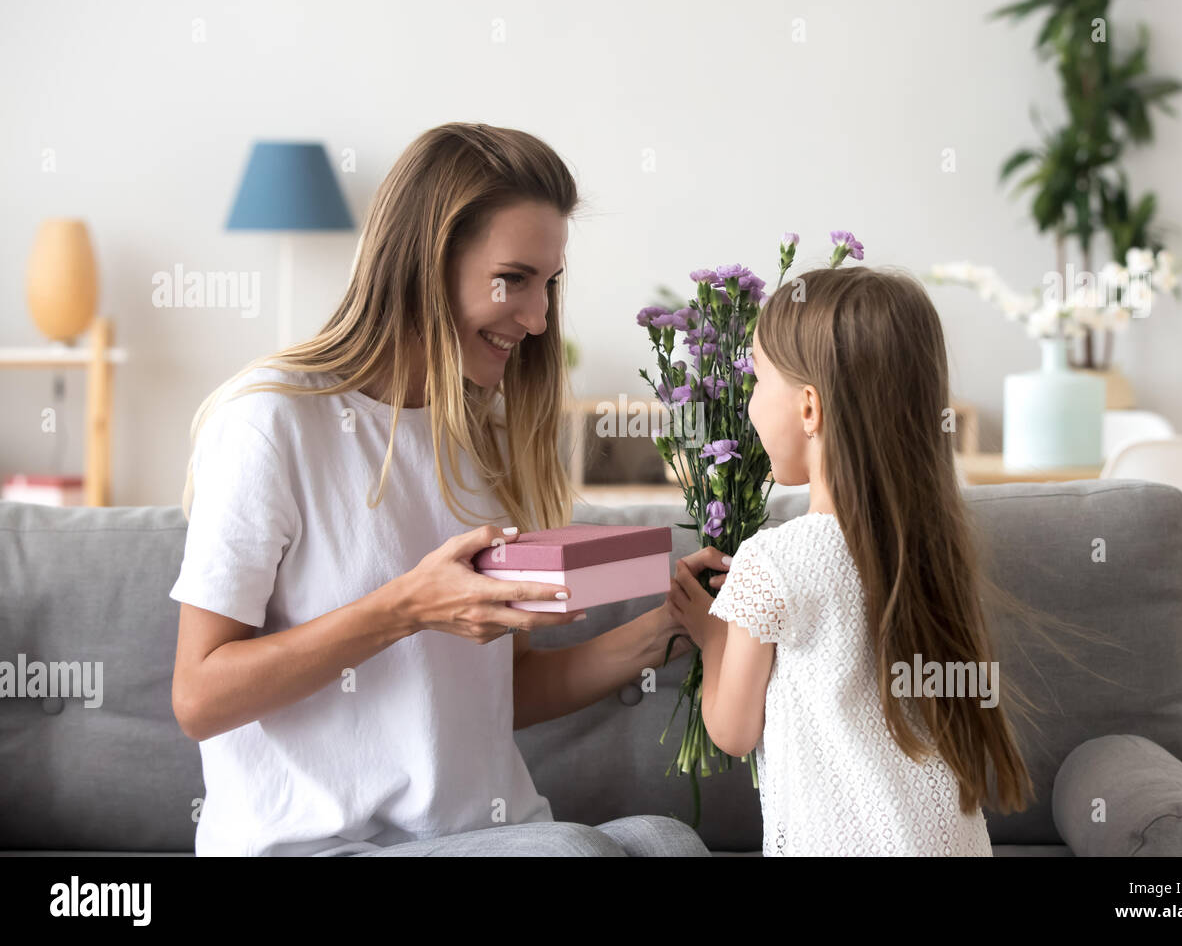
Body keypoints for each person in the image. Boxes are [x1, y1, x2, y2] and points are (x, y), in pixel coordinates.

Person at [169, 122, 719, 856]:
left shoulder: (479, 432)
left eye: (549, 285)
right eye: (514, 280)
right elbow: (199, 698)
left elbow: (494, 693)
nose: (539, 318)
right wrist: (405, 609)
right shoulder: (271, 422)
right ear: (427, 262)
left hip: (479, 834)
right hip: (316, 846)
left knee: (667, 841)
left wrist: (671, 631)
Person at [667, 265, 1053, 856]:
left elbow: (732, 730)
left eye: (758, 381)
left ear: (809, 408)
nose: (747, 407)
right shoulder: (931, 548)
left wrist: (711, 635)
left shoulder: (770, 560)